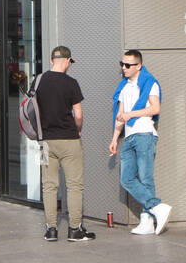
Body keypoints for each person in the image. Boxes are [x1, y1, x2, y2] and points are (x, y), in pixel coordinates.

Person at [108, 49, 171, 235]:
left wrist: (131, 114)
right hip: (129, 136)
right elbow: (120, 115)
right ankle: (156, 207)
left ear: (139, 66)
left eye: (128, 65)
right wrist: (113, 139)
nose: (124, 68)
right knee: (126, 179)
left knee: (145, 178)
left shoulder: (149, 83)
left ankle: (147, 221)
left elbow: (155, 108)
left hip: (144, 133)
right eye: (122, 64)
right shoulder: (124, 87)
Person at [36, 46, 94, 242]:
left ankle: (51, 230)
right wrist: (78, 129)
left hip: (45, 141)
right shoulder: (71, 83)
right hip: (69, 139)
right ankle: (75, 229)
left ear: (52, 60)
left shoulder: (38, 81)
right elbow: (78, 114)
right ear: (68, 61)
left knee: (49, 186)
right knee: (74, 186)